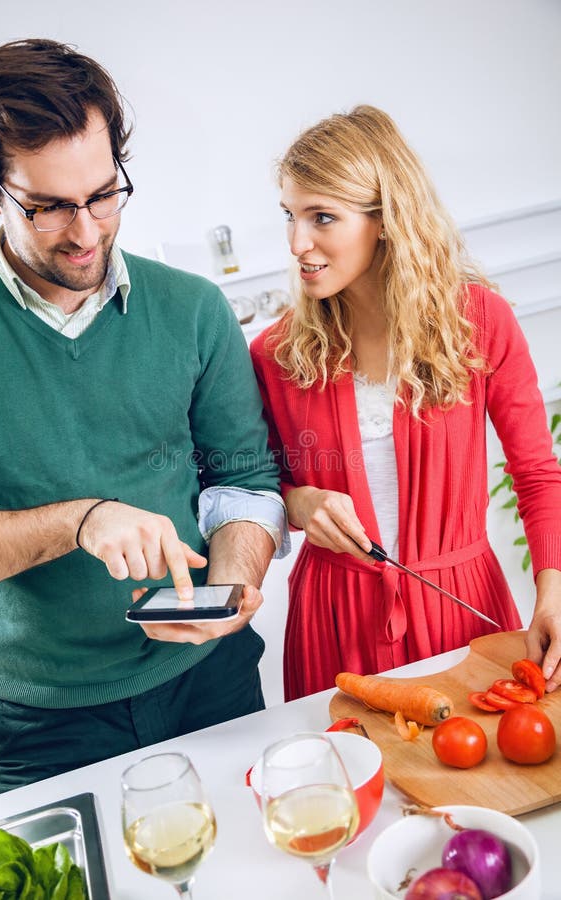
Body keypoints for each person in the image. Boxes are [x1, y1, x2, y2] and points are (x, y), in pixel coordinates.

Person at [0, 38, 288, 795]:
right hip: (42, 722)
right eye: (48, 207)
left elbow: (245, 481)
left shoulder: (194, 310)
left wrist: (232, 586)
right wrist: (84, 519)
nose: (86, 232)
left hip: (213, 685)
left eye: (104, 194)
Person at [250, 105, 561, 702]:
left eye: (322, 218)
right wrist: (298, 501)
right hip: (331, 623)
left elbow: (539, 476)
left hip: (464, 613)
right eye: (289, 215)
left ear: (386, 219)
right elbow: (253, 489)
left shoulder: (480, 323)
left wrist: (552, 596)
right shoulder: (274, 354)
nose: (296, 242)